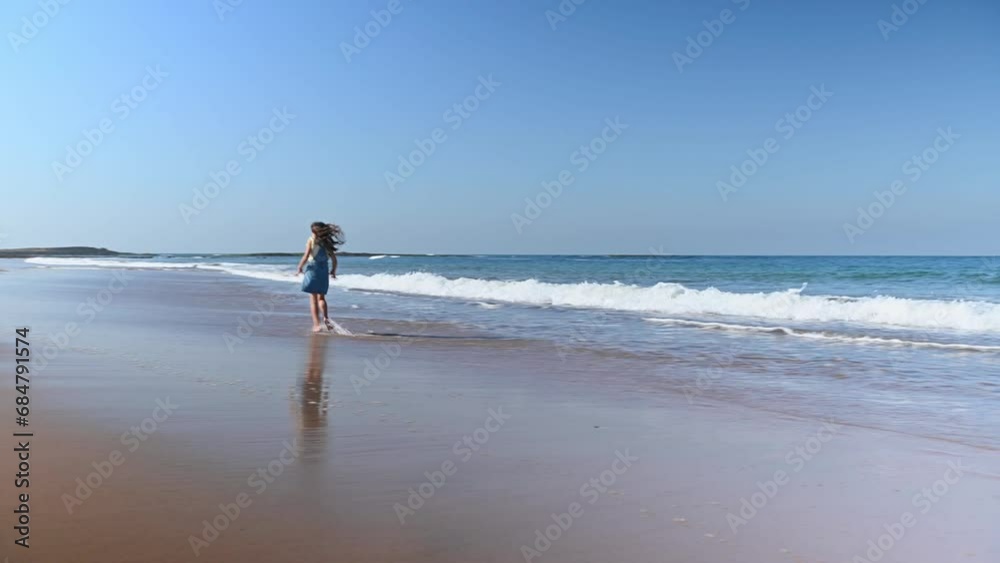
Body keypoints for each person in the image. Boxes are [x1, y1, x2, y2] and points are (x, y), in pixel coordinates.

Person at [296, 222, 344, 332]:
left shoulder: (311, 240)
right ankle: (326, 317)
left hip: (313, 269)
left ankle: (316, 325)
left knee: (313, 299)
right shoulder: (327, 243)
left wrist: (299, 267)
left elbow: (306, 255)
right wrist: (333, 271)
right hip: (324, 270)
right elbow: (334, 259)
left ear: (314, 232)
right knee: (321, 298)